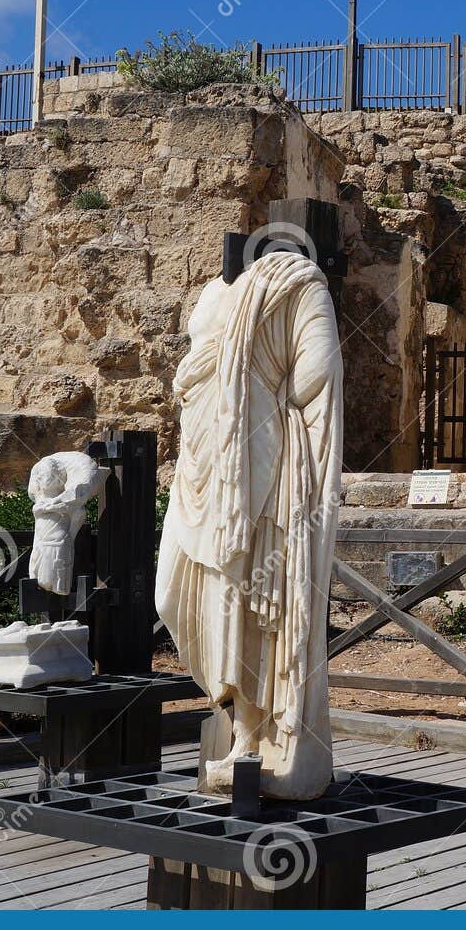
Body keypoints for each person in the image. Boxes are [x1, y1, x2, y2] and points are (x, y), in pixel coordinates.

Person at [155, 250, 343, 800]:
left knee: (247, 602)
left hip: (262, 467)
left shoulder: (298, 284)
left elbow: (318, 377)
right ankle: (239, 727)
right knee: (179, 593)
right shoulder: (213, 292)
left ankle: (249, 739)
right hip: (201, 467)